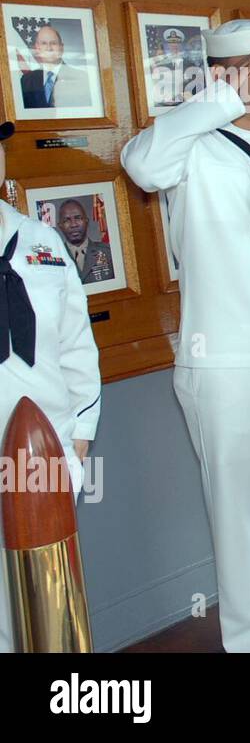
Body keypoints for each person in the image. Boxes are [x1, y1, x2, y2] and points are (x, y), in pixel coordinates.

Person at [121, 19, 250, 653]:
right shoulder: (189, 146)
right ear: (222, 74)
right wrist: (215, 101)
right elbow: (140, 164)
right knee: (238, 514)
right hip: (225, 359)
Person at [0, 120, 101, 653]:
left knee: (50, 599)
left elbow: (77, 346)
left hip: (47, 446)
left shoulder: (40, 242)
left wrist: (79, 438)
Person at [20, 24, 91, 110]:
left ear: (61, 47)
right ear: (37, 48)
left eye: (53, 43)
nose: (49, 48)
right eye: (44, 43)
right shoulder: (26, 81)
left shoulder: (81, 77)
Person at [55, 199, 114, 284]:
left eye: (78, 218)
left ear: (87, 221)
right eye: (67, 220)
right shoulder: (54, 258)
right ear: (60, 226)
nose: (74, 224)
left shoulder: (109, 252)